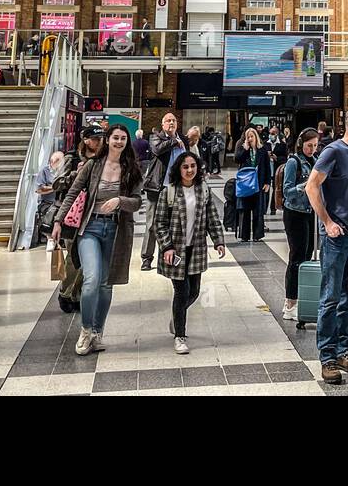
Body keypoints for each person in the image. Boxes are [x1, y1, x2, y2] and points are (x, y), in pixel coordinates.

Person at [52, 125, 142, 355]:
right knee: (91, 279)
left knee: (106, 283)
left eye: (123, 138)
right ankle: (86, 330)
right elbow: (73, 192)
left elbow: (137, 202)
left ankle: (98, 333)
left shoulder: (131, 168)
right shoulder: (93, 166)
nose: (119, 142)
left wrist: (120, 201)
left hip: (116, 230)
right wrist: (58, 221)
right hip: (89, 227)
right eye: (115, 138)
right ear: (108, 140)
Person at [305, 105, 348, 385]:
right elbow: (312, 186)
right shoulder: (333, 151)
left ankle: (344, 350)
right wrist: (328, 222)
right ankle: (328, 356)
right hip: (337, 239)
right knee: (331, 298)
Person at [155, 150, 226, 354]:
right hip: (175, 250)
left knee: (194, 291)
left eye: (193, 166)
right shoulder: (168, 192)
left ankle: (177, 317)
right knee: (182, 291)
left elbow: (212, 217)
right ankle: (180, 336)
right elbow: (159, 223)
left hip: (196, 249)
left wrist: (218, 240)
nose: (189, 170)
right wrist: (166, 246)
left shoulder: (203, 190)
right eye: (185, 166)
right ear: (179, 168)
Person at [55, 132, 102, 313]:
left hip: (91, 215)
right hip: (72, 215)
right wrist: (77, 173)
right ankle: (65, 293)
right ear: (86, 140)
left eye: (100, 139)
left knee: (87, 257)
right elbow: (57, 183)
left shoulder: (101, 159)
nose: (98, 142)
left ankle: (77, 294)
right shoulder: (72, 158)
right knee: (73, 257)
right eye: (95, 139)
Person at [281, 129, 319, 321]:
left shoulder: (315, 160)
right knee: (296, 257)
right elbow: (287, 191)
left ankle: (301, 298)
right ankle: (290, 302)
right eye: (309, 145)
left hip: (310, 213)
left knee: (307, 254)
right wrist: (305, 186)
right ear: (301, 143)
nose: (312, 149)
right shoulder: (293, 162)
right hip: (295, 213)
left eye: (315, 145)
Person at [140, 112, 183, 269]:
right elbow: (157, 150)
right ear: (163, 124)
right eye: (168, 121)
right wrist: (173, 141)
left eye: (174, 120)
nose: (171, 123)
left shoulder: (181, 139)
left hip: (176, 188)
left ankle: (168, 255)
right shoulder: (156, 137)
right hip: (157, 188)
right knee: (151, 224)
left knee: (173, 224)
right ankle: (146, 258)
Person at [235, 128, 272, 242]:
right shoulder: (244, 149)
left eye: (252, 136)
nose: (250, 139)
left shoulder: (262, 150)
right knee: (245, 210)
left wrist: (267, 182)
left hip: (259, 183)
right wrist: (245, 149)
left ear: (256, 137)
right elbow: (237, 159)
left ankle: (257, 234)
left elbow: (267, 167)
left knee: (258, 210)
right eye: (248, 137)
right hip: (246, 184)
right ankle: (244, 235)